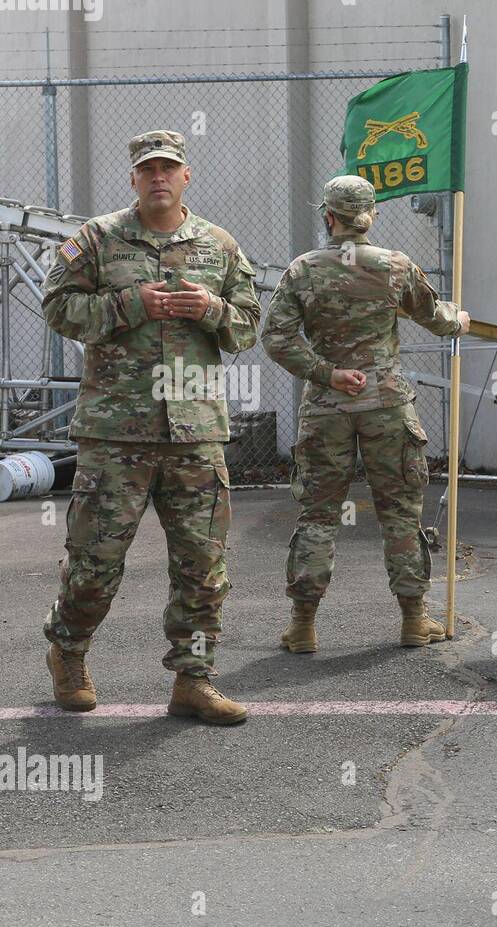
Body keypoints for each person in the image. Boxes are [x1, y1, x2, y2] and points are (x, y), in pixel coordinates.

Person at [42, 130, 260, 725]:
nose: (158, 177)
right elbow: (57, 307)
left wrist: (210, 310)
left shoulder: (217, 245)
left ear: (186, 176)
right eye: (148, 169)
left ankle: (193, 678)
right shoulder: (98, 239)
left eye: (169, 168)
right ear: (134, 178)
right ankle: (69, 651)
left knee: (203, 564)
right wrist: (129, 304)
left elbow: (248, 326)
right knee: (95, 560)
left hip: (195, 435)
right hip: (117, 435)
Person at [262, 175, 469, 651]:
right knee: (399, 512)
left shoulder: (303, 270)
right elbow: (437, 320)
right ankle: (415, 620)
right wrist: (457, 317)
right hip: (387, 404)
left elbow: (277, 338)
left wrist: (325, 372)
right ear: (369, 217)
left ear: (328, 218)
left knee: (318, 515)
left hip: (327, 407)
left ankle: (303, 626)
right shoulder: (396, 266)